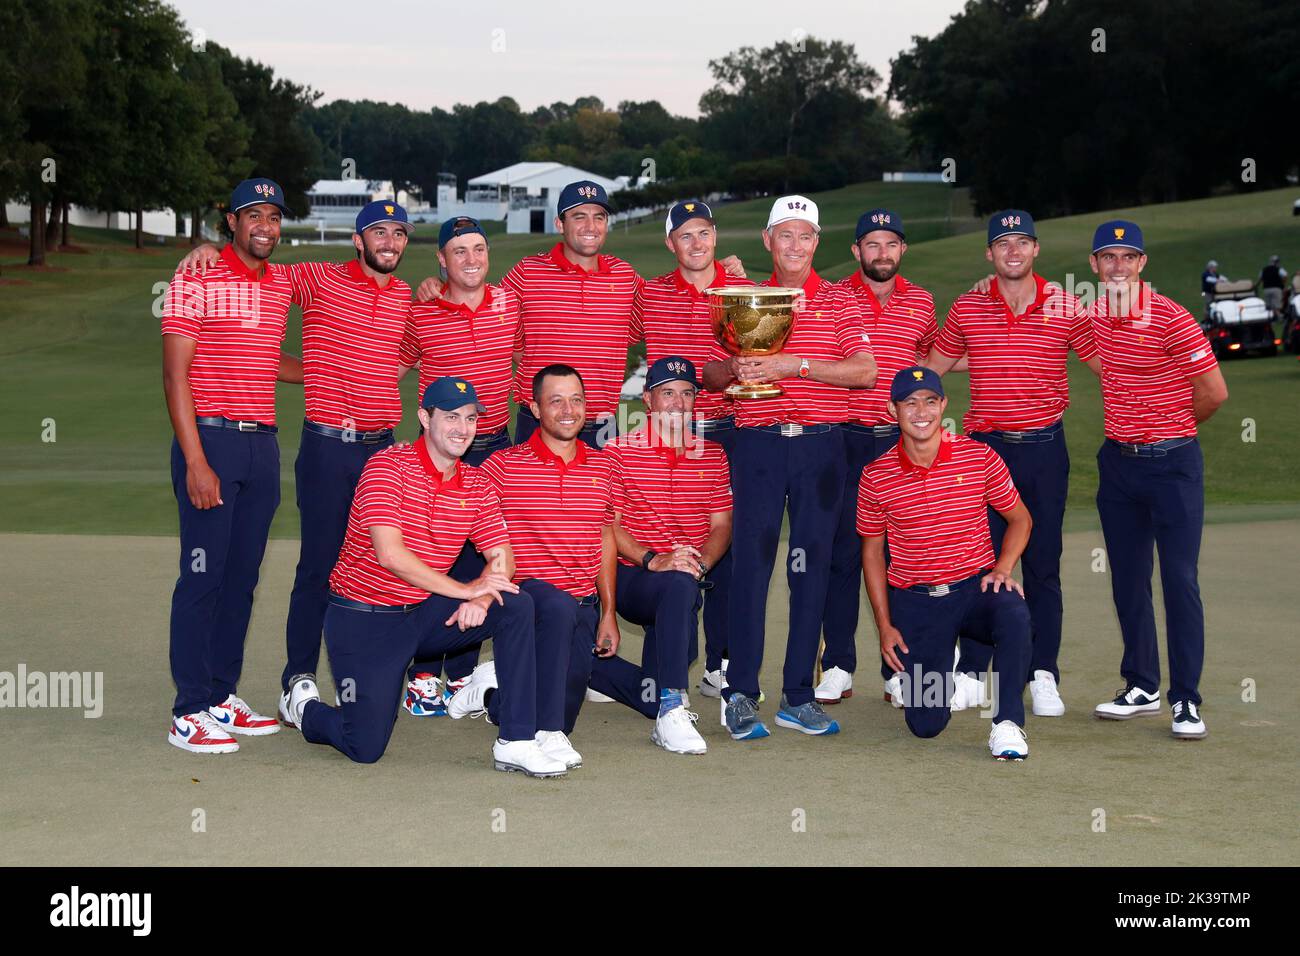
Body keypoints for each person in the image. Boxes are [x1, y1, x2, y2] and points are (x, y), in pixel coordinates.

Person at [176, 200, 416, 719]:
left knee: (384, 565)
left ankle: (373, 677)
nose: (390, 242)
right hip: (327, 447)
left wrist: (358, 371)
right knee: (320, 568)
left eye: (399, 233)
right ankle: (298, 681)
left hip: (383, 450)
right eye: (379, 232)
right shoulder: (317, 278)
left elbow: (407, 352)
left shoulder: (405, 299)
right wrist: (210, 248)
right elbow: (253, 259)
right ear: (358, 240)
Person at [288, 377, 566, 777]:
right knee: (364, 745)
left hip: (423, 612)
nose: (462, 428)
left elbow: (503, 555)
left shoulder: (476, 482)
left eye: (470, 418)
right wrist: (466, 588)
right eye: (450, 417)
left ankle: (515, 741)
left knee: (516, 603)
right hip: (364, 618)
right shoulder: (387, 465)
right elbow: (391, 555)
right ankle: (304, 709)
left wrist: (482, 598)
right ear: (424, 417)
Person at [701, 195, 877, 741]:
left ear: (816, 243)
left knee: (811, 571)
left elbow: (866, 372)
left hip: (821, 449)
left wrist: (794, 365)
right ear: (767, 241)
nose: (795, 245)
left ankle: (798, 695)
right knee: (751, 568)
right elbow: (709, 375)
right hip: (756, 445)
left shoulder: (842, 302)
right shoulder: (746, 299)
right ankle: (741, 694)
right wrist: (733, 366)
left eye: (805, 235)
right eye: (785, 235)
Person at [924, 210, 1101, 718]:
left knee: (1042, 564)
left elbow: (1106, 363)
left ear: (1036, 250)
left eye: (1023, 242)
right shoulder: (968, 307)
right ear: (990, 254)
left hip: (1044, 447)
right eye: (1004, 244)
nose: (1014, 252)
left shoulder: (1067, 306)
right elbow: (932, 370)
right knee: (977, 561)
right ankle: (973, 674)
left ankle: (1042, 673)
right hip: (984, 450)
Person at [162, 177, 302, 753]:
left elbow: (269, 358)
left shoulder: (279, 282)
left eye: (273, 217)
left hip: (260, 447)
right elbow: (174, 375)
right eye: (254, 216)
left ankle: (221, 693)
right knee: (203, 578)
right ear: (232, 222)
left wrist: (328, 371)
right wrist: (196, 460)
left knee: (242, 580)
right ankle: (188, 708)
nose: (265, 227)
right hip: (212, 444)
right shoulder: (196, 276)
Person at [1086, 221, 1228, 739]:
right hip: (1119, 465)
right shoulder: (1095, 315)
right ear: (1095, 266)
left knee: (1179, 580)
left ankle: (1186, 699)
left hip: (1173, 465)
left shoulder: (1172, 317)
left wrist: (1172, 428)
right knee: (1127, 577)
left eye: (1128, 257)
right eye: (1108, 257)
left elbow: (1214, 391)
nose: (1118, 266)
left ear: (1142, 263)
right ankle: (1141, 684)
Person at [859, 367, 1034, 760]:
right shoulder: (875, 476)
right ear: (893, 410)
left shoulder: (979, 456)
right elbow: (872, 552)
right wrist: (885, 626)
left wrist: (1003, 569)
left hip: (975, 590)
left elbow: (1021, 519)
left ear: (944, 406)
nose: (921, 411)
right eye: (910, 403)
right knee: (926, 726)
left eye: (930, 401)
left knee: (1014, 612)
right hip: (917, 601)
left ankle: (1007, 724)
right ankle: (947, 669)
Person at [398, 216, 522, 716]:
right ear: (442, 260)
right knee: (436, 555)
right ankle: (424, 673)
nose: (471, 259)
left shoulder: (510, 303)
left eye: (478, 249)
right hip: (441, 446)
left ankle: (464, 673)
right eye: (459, 251)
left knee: (484, 556)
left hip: (494, 445)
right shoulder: (421, 312)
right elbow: (393, 366)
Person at [629, 199, 752, 699]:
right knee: (656, 534)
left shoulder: (744, 291)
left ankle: (718, 661)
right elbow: (611, 335)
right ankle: (664, 659)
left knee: (725, 546)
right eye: (685, 236)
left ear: (715, 237)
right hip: (663, 433)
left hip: (725, 432)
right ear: (670, 244)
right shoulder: (650, 295)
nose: (696, 243)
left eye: (704, 233)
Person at [817, 208, 938, 706]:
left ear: (902, 250)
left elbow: (930, 362)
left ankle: (900, 668)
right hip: (842, 437)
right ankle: (839, 664)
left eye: (891, 244)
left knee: (901, 554)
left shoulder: (923, 301)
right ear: (856, 251)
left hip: (897, 441)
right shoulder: (831, 295)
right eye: (872, 244)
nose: (881, 253)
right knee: (843, 551)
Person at [476, 365, 620, 769]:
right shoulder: (501, 468)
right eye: (555, 400)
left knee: (561, 710)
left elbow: (605, 539)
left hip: (582, 609)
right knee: (548, 720)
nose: (568, 410)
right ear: (536, 409)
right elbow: (476, 535)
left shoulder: (604, 467)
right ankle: (542, 729)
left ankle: (492, 691)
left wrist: (608, 613)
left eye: (576, 400)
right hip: (531, 610)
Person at [593, 357, 734, 755]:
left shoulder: (713, 454)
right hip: (630, 577)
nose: (678, 403)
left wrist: (701, 562)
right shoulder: (618, 451)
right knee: (676, 585)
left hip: (682, 579)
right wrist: (652, 558)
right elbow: (610, 527)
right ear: (648, 399)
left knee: (655, 684)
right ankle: (673, 710)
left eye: (687, 393)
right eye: (668, 393)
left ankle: (598, 673)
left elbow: (721, 525)